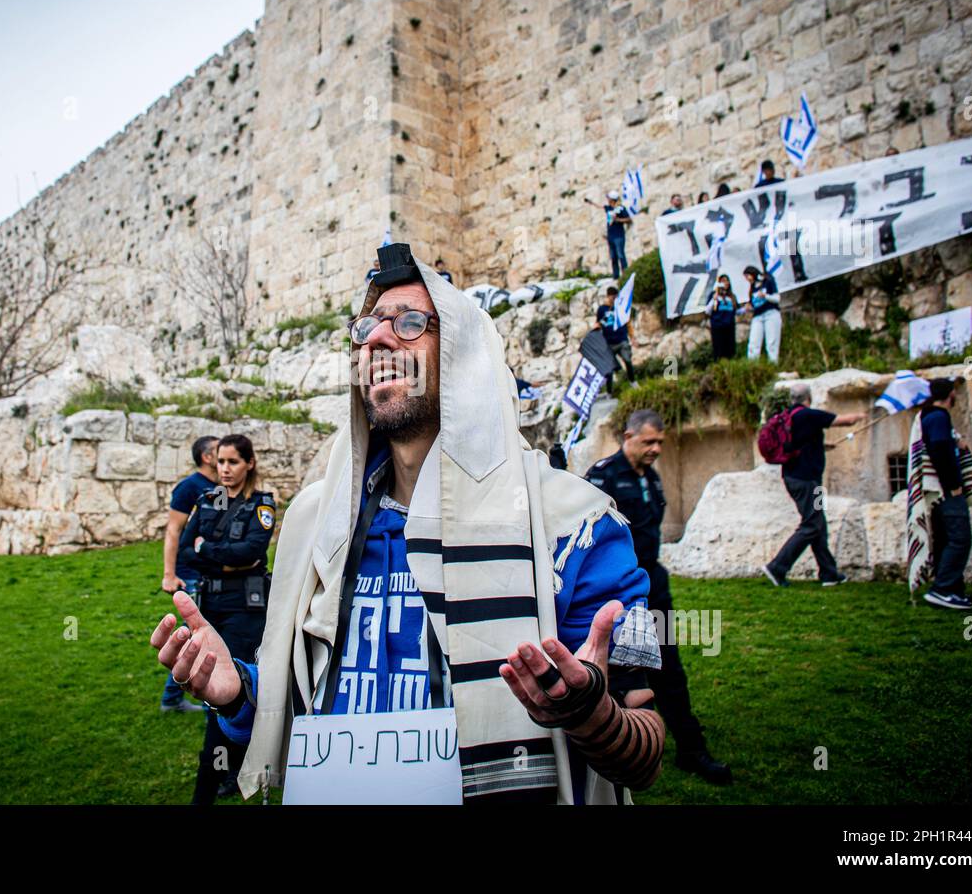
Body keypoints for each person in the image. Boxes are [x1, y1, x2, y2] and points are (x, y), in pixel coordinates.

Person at [152, 241, 666, 805]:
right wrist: (236, 693)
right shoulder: (315, 525)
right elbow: (305, 712)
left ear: (466, 359)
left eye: (411, 322)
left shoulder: (581, 525)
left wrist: (591, 715)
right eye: (367, 325)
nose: (375, 337)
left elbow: (645, 749)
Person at [588, 410, 731, 785]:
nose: (656, 449)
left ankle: (691, 749)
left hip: (654, 587)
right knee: (617, 672)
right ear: (628, 436)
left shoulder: (649, 477)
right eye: (649, 441)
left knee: (669, 670)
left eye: (660, 443)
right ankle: (610, 752)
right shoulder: (603, 476)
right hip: (618, 596)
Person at [174, 433, 275, 804]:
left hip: (244, 611)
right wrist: (227, 557)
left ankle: (207, 790)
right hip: (210, 607)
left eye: (232, 462)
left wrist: (209, 549)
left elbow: (253, 549)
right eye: (219, 462)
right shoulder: (207, 500)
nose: (225, 469)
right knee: (209, 691)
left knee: (233, 688)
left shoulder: (261, 504)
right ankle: (230, 770)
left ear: (248, 463)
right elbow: (188, 549)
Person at [762, 385, 864, 587]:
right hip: (806, 480)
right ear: (809, 398)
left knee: (818, 524)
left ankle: (829, 573)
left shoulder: (789, 417)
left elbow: (801, 443)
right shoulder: (808, 415)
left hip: (799, 478)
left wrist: (823, 447)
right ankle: (777, 567)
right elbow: (844, 421)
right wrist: (863, 414)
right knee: (811, 524)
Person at [159, 435, 219, 713]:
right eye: (221, 452)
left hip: (212, 572)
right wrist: (169, 574)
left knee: (207, 634)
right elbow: (173, 530)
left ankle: (181, 697)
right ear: (207, 457)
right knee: (197, 636)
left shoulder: (220, 486)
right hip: (189, 574)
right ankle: (176, 698)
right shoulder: (189, 487)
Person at [917, 378, 972, 610]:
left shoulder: (929, 416)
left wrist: (957, 442)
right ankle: (943, 588)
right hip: (946, 489)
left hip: (938, 491)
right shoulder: (939, 417)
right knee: (960, 537)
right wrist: (953, 484)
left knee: (945, 539)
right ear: (950, 394)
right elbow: (940, 449)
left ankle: (953, 589)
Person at [595, 286, 636, 392]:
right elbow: (598, 324)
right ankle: (609, 392)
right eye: (613, 297)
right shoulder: (602, 309)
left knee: (628, 360)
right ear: (608, 296)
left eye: (616, 297)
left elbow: (628, 323)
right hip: (609, 343)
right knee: (609, 369)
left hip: (622, 340)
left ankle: (633, 382)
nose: (614, 299)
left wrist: (632, 337)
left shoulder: (620, 307)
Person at [586, 190, 632, 277]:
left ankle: (625, 274)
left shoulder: (621, 208)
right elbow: (599, 206)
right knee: (613, 257)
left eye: (609, 198)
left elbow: (628, 219)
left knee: (620, 255)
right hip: (611, 235)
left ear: (612, 199)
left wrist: (618, 220)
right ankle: (616, 275)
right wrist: (590, 202)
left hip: (619, 235)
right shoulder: (608, 208)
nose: (608, 199)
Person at [742, 265, 782, 363]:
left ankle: (773, 365)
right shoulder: (752, 288)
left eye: (748, 276)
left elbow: (777, 298)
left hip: (771, 313)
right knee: (753, 343)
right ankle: (753, 367)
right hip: (758, 316)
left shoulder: (767, 281)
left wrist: (765, 296)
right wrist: (748, 307)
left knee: (771, 342)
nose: (747, 279)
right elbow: (754, 304)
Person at [704, 273, 738, 360]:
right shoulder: (714, 295)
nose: (726, 283)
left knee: (730, 349)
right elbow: (707, 311)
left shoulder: (732, 297)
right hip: (718, 326)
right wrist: (713, 300)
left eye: (727, 281)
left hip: (729, 326)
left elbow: (736, 311)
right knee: (719, 349)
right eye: (723, 281)